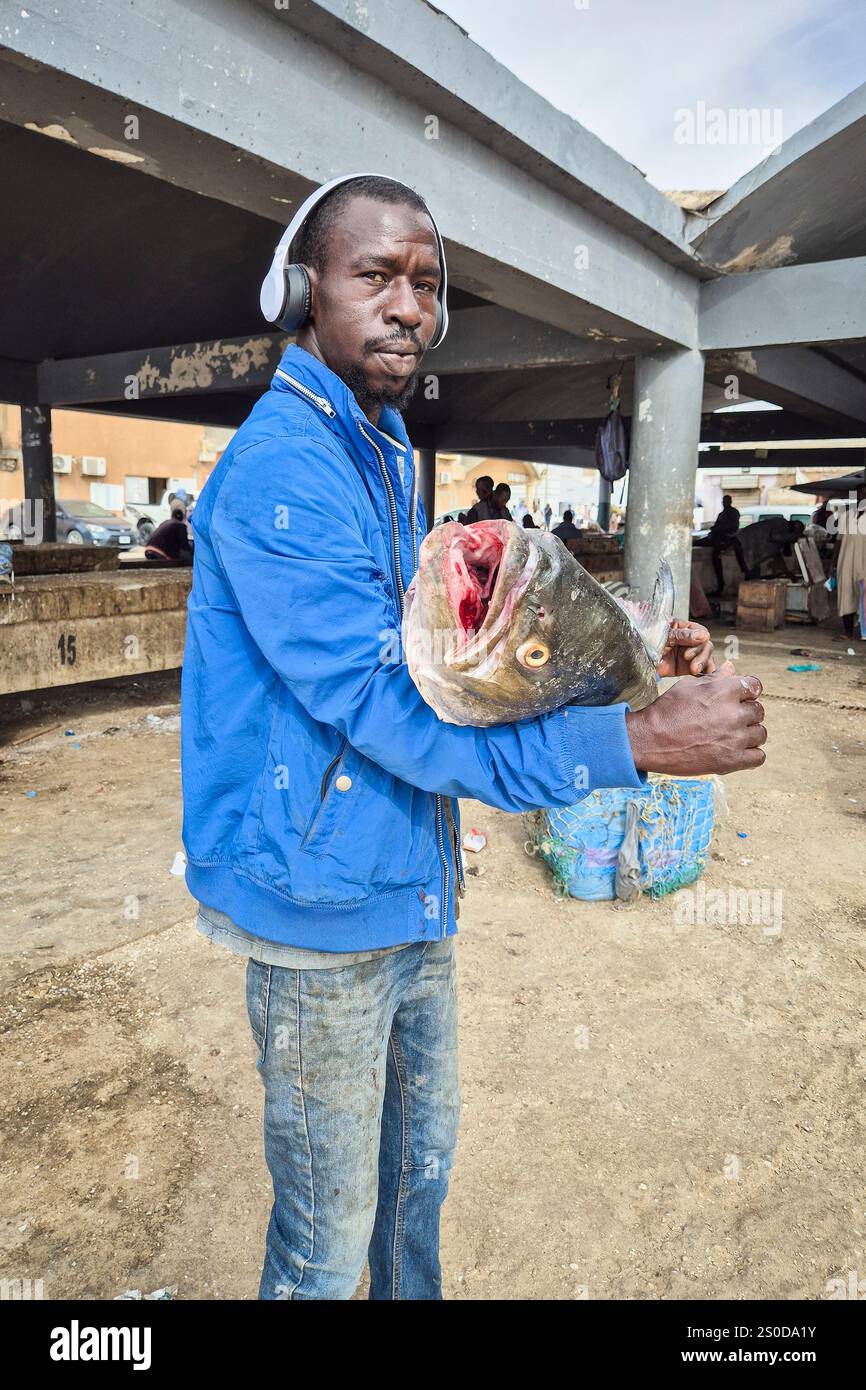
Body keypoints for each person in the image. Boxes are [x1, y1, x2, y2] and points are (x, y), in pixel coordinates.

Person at [181, 172, 767, 1303]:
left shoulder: (381, 446)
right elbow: (394, 711)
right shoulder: (285, 471)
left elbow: (455, 650)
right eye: (375, 276)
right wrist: (630, 741)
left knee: (414, 1193)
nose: (408, 306)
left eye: (426, 283)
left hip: (407, 881)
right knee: (324, 1242)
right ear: (302, 290)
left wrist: (630, 655)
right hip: (319, 917)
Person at [696, 494, 748, 595]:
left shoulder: (733, 513)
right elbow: (717, 526)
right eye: (723, 501)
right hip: (717, 537)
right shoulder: (722, 514)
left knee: (716, 557)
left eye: (726, 501)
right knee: (697, 543)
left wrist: (719, 530)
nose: (724, 503)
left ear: (730, 502)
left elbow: (732, 527)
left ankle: (721, 585)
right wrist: (714, 531)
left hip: (726, 539)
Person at [832, 495, 866, 639]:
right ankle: (848, 631)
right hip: (845, 561)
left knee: (864, 597)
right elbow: (838, 541)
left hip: (864, 561)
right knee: (846, 595)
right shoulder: (846, 516)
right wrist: (833, 564)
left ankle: (863, 632)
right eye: (860, 493)